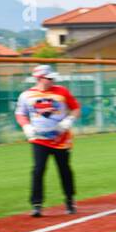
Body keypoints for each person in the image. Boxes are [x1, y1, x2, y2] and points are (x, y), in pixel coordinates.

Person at [14, 64, 81, 217]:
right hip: (39, 140)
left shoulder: (62, 91)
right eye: (48, 78)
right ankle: (36, 204)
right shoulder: (26, 95)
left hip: (61, 139)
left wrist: (68, 121)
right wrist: (26, 127)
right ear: (39, 78)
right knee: (38, 170)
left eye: (52, 78)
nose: (52, 80)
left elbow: (76, 108)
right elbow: (20, 114)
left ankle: (70, 200)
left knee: (64, 170)